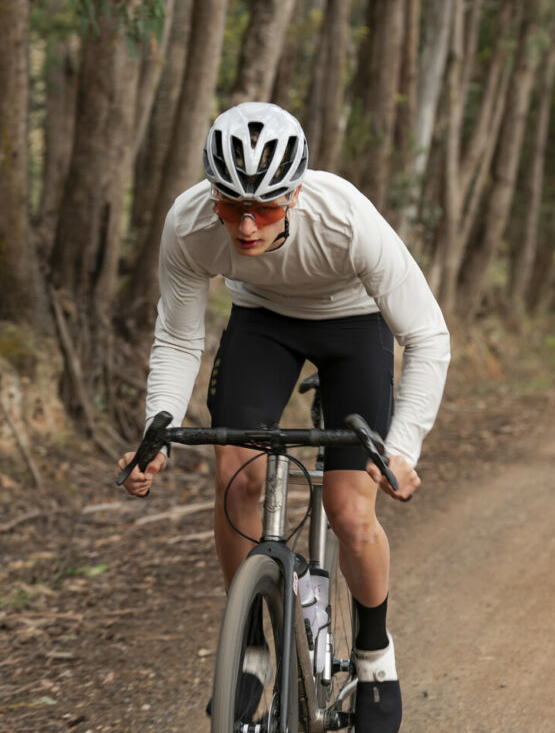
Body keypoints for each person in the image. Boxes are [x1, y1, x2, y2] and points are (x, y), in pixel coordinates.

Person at [116, 102, 449, 733]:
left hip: (354, 323)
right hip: (262, 323)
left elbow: (429, 337)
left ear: (295, 194)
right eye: (230, 206)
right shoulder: (188, 224)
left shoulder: (347, 218)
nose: (245, 226)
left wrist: (403, 448)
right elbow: (180, 338)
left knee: (352, 511)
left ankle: (375, 653)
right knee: (237, 477)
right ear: (210, 194)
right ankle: (251, 648)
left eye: (265, 208)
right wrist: (157, 425)